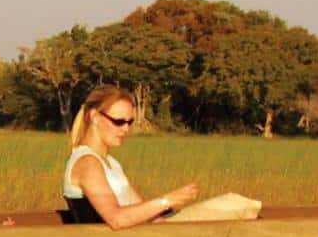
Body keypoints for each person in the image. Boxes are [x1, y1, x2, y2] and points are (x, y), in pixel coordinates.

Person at [62, 84, 260, 227]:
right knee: (236, 208)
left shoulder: (111, 163)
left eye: (130, 123)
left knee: (233, 204)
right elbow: (117, 219)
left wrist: (168, 212)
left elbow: (140, 209)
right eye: (119, 121)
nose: (125, 129)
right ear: (94, 117)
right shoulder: (87, 163)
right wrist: (167, 201)